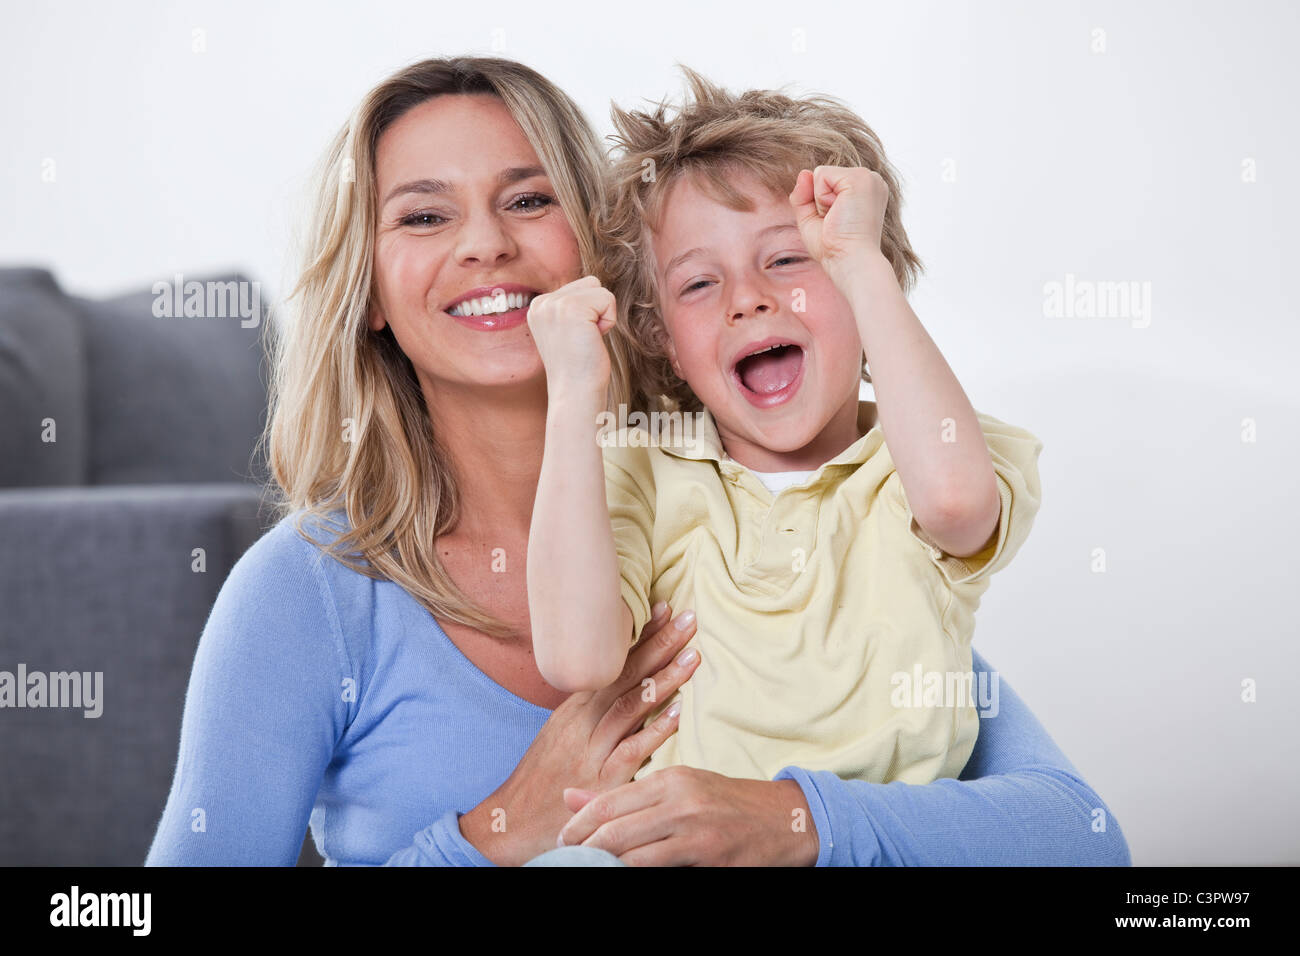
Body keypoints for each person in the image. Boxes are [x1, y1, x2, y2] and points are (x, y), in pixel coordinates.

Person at [143, 55, 1130, 866]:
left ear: (606, 257)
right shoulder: (308, 592)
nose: (485, 244)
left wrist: (792, 820)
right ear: (368, 291)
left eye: (528, 198)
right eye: (424, 215)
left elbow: (1075, 836)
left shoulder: (759, 514)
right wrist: (493, 835)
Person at [525, 69, 1042, 791]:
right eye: (698, 283)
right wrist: (574, 396)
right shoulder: (646, 471)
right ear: (664, 340)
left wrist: (860, 263)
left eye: (789, 259)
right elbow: (576, 658)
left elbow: (957, 508)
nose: (747, 299)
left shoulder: (922, 459)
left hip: (882, 836)